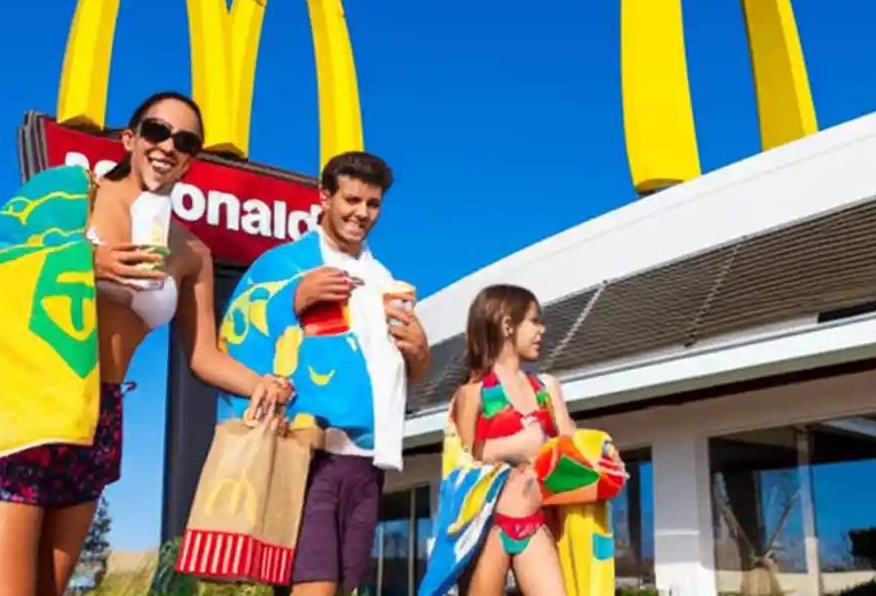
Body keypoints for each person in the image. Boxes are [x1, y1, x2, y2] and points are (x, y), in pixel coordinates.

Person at [0, 91, 294, 596]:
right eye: (157, 131)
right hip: (34, 405)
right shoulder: (70, 193)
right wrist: (84, 264)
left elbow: (203, 354)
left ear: (193, 158)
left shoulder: (191, 252)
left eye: (185, 140)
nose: (168, 147)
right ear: (129, 140)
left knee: (51, 588)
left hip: (101, 418)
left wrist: (264, 384)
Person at [217, 150, 431, 596]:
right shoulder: (282, 265)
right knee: (311, 585)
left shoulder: (383, 279)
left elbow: (393, 378)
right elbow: (231, 338)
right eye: (351, 200)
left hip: (368, 459)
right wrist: (291, 298)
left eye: (372, 204)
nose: (362, 213)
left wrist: (420, 354)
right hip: (304, 448)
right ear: (324, 197)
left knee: (343, 588)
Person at [420, 284, 622, 596]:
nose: (542, 329)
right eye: (535, 321)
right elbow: (464, 462)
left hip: (533, 520)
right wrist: (520, 443)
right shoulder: (472, 394)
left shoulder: (547, 388)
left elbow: (571, 449)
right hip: (488, 526)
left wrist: (604, 453)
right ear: (507, 324)